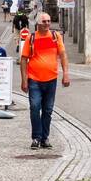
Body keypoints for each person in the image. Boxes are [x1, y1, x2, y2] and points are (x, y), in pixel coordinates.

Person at [20, 13, 70, 150]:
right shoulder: (31, 38)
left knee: (48, 110)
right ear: (38, 23)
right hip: (34, 80)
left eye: (48, 21)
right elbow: (24, 59)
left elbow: (63, 55)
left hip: (51, 79)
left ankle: (44, 138)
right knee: (35, 108)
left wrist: (65, 73)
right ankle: (36, 137)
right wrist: (24, 80)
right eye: (44, 21)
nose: (47, 23)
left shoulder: (55, 36)